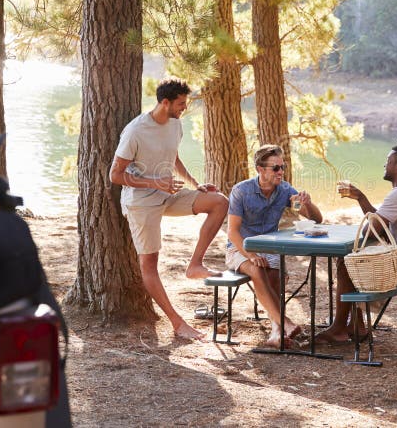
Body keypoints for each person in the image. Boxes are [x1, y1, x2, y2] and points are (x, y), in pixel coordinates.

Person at [109, 78, 229, 340]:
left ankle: (195, 265)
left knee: (219, 201)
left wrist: (196, 185)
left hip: (168, 192)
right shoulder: (136, 131)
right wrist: (155, 182)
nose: (184, 108)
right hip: (141, 202)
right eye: (181, 104)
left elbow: (173, 156)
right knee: (149, 265)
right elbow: (115, 175)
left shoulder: (175, 123)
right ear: (165, 102)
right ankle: (177, 323)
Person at [316, 143, 397, 345]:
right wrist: (360, 197)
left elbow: (372, 230)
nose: (385, 164)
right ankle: (355, 325)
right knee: (353, 264)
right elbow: (381, 223)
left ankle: (340, 328)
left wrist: (366, 216)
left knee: (350, 264)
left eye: (389, 161)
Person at [226, 144, 323, 348]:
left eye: (283, 167)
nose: (281, 172)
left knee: (275, 275)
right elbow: (232, 232)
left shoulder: (285, 190)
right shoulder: (241, 191)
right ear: (261, 170)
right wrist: (250, 254)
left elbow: (316, 219)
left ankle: (276, 333)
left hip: (269, 248)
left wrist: (307, 203)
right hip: (240, 248)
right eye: (276, 168)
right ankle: (284, 322)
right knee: (256, 269)